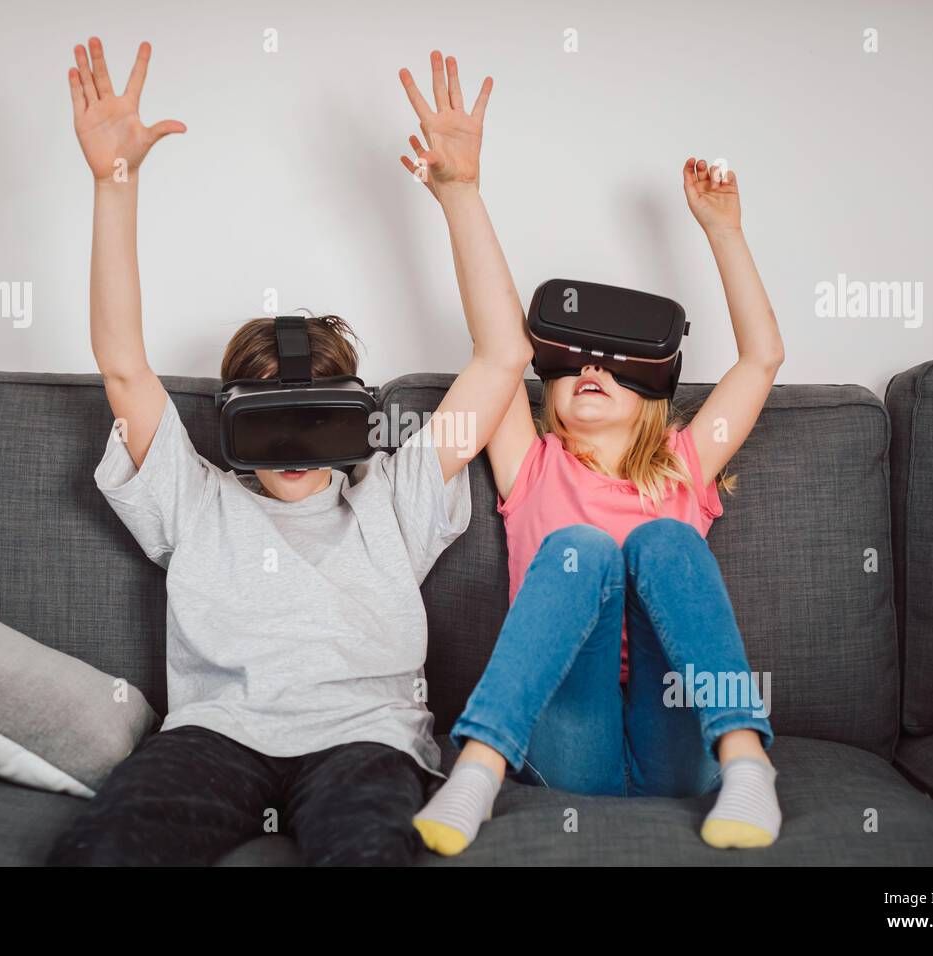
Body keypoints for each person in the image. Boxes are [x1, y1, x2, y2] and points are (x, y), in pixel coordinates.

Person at [47, 38, 529, 865]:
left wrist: (461, 195)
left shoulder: (394, 494)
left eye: (317, 421)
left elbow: (502, 361)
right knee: (102, 852)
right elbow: (122, 362)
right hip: (214, 738)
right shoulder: (193, 499)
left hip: (366, 742)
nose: (295, 448)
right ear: (230, 424)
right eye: (270, 423)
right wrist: (112, 182)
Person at [413, 157, 786, 856]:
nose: (592, 368)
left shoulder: (683, 465)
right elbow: (496, 344)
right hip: (568, 735)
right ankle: (477, 770)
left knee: (665, 543)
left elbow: (761, 358)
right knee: (579, 547)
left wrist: (723, 230)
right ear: (548, 392)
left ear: (653, 395)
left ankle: (747, 763)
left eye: (617, 364)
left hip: (675, 731)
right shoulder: (530, 465)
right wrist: (461, 193)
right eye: (577, 362)